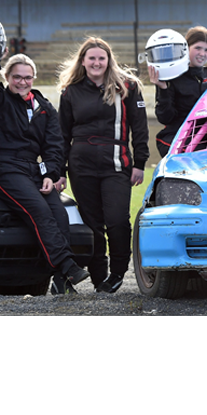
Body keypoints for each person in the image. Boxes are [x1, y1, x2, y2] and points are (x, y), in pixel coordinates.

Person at [0, 53, 89, 293]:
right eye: (17, 77)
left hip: (33, 169)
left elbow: (55, 145)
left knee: (59, 213)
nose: (22, 82)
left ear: (33, 78)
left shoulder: (43, 106)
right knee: (39, 209)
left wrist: (50, 174)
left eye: (27, 77)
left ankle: (61, 281)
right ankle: (66, 265)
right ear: (6, 77)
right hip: (2, 166)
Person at [56, 37, 150, 293]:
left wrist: (140, 162)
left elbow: (139, 128)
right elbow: (62, 135)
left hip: (116, 165)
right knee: (92, 223)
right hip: (81, 166)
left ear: (109, 60)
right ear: (83, 61)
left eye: (101, 58)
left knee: (117, 220)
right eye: (92, 58)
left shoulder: (127, 87)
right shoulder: (70, 91)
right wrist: (60, 171)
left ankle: (119, 271)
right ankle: (100, 277)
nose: (97, 62)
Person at [150, 26, 207, 157]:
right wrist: (162, 88)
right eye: (198, 48)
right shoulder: (171, 77)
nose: (202, 53)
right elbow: (165, 118)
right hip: (178, 140)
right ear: (185, 49)